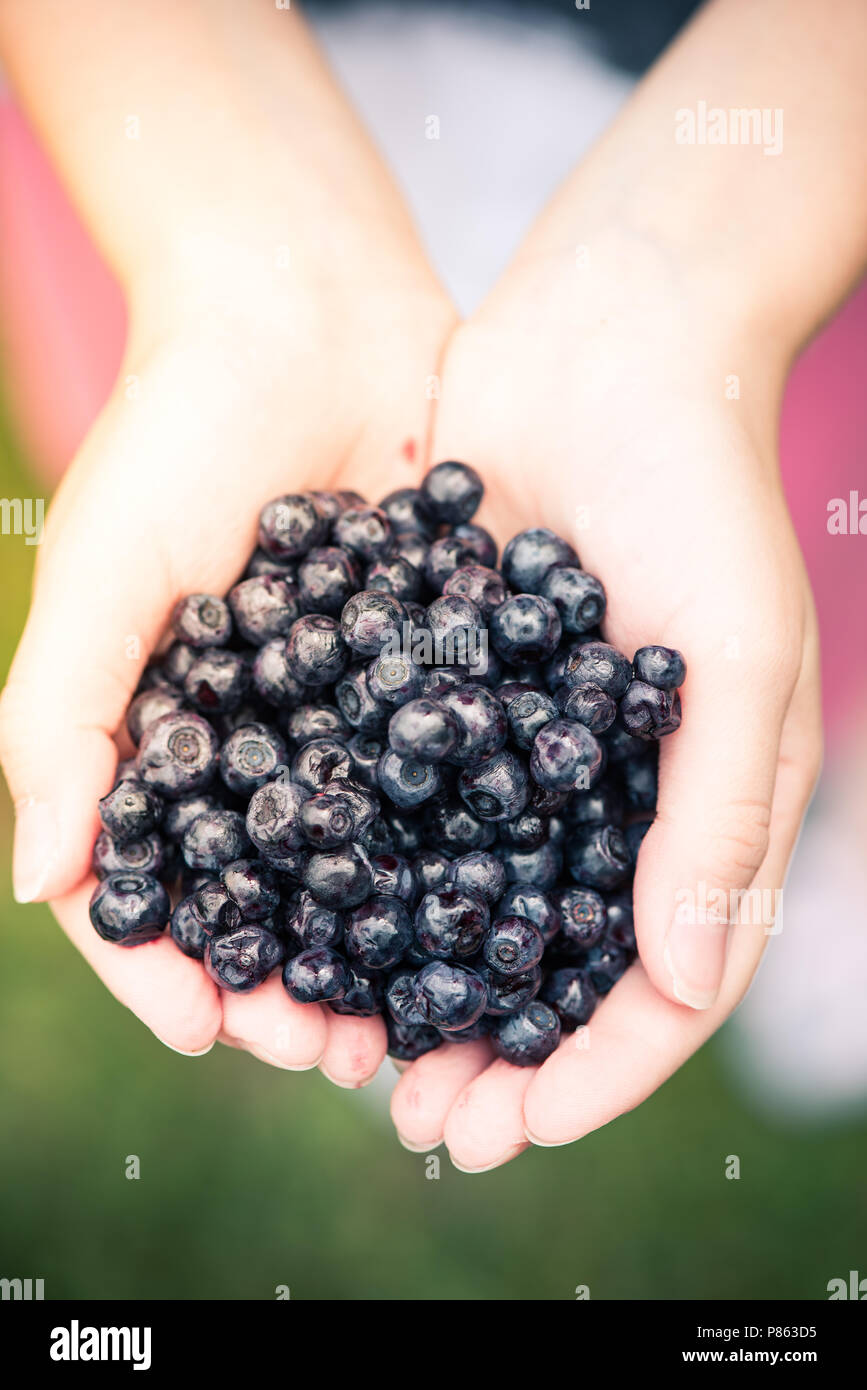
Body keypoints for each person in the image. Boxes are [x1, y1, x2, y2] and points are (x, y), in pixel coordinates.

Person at [0, 0, 864, 1173]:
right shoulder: (322, 757)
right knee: (734, 676)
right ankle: (435, 1013)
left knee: (769, 607)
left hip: (771, 175)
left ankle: (821, 859)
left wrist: (698, 296)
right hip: (201, 145)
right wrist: (232, 255)